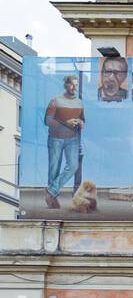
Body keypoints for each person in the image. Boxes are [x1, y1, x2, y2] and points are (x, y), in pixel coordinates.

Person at [43, 73, 84, 210]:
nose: (74, 87)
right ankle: (52, 199)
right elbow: (47, 121)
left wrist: (81, 122)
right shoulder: (55, 101)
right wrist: (66, 123)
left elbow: (83, 119)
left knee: (73, 165)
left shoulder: (79, 102)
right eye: (72, 84)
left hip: (73, 138)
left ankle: (51, 191)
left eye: (76, 85)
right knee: (54, 168)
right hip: (55, 138)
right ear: (66, 84)